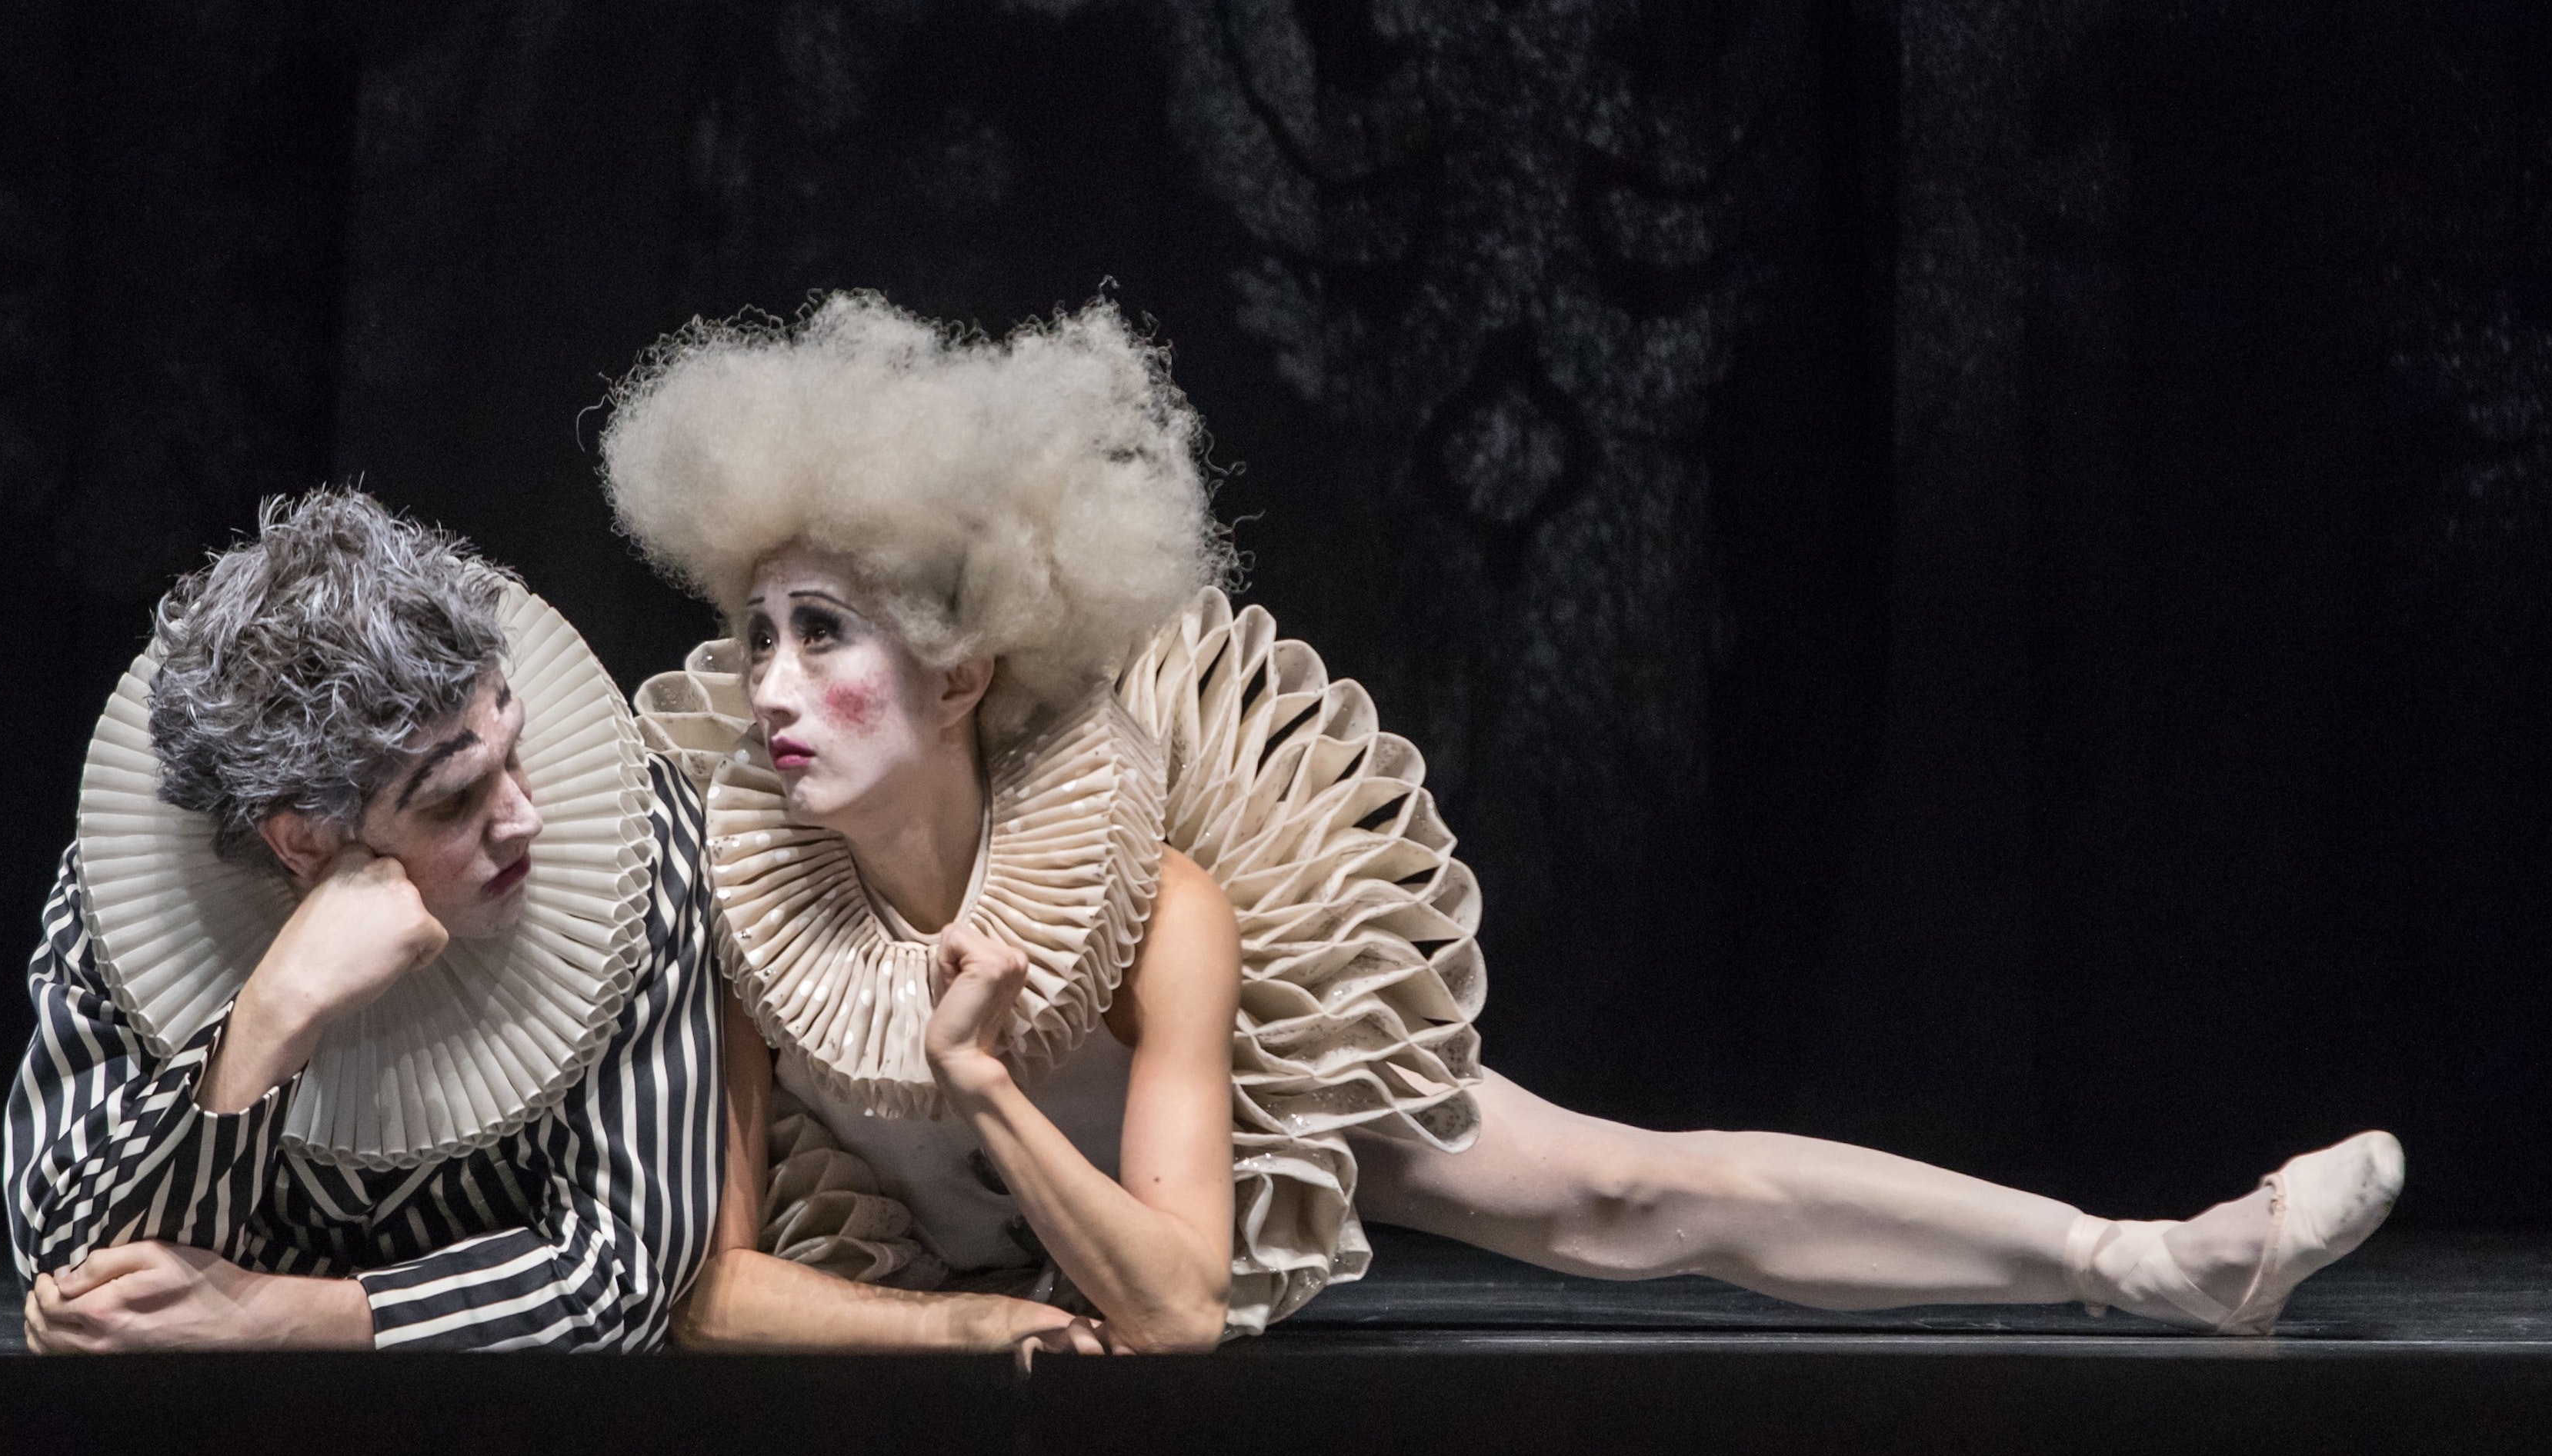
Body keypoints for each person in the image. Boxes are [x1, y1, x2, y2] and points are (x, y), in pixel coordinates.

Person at [599, 295, 2406, 1354]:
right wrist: (953, 1327)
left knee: (1624, 1191)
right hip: (954, 1267)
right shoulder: (740, 907)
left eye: (824, 634)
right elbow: (709, 1287)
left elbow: (1169, 1311)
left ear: (961, 669)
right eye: (756, 632)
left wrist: (985, 1083)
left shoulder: (1158, 906)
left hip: (1231, 1134)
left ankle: (2147, 1260)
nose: (769, 684)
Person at [1, 488, 729, 1352]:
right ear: (303, 842)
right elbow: (77, 1286)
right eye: (453, 800)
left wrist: (276, 1319)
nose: (524, 818)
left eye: (513, 751)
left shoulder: (646, 851)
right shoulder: (118, 905)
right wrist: (269, 1016)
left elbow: (625, 1278)